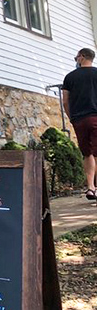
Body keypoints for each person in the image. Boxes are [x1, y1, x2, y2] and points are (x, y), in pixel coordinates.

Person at [62, 47, 97, 201]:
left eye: (76, 58)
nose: (76, 60)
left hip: (80, 119)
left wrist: (72, 118)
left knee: (87, 153)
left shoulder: (69, 77)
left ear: (82, 57)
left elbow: (65, 101)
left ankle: (90, 188)